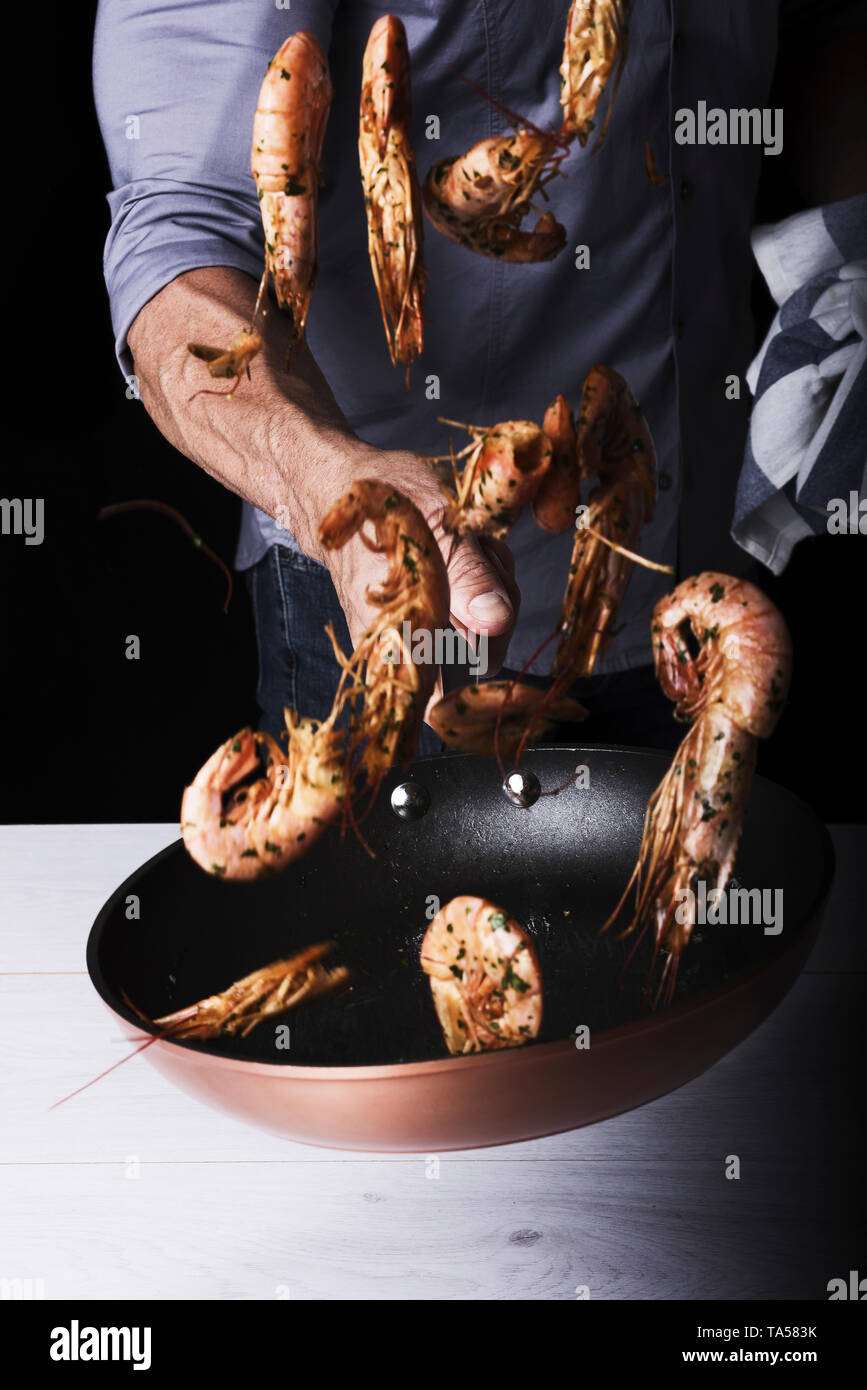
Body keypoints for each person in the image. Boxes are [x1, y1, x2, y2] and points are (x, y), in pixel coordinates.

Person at [93, 0, 864, 755]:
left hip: (728, 564)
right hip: (403, 608)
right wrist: (331, 480)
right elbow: (177, 234)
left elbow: (820, 32)